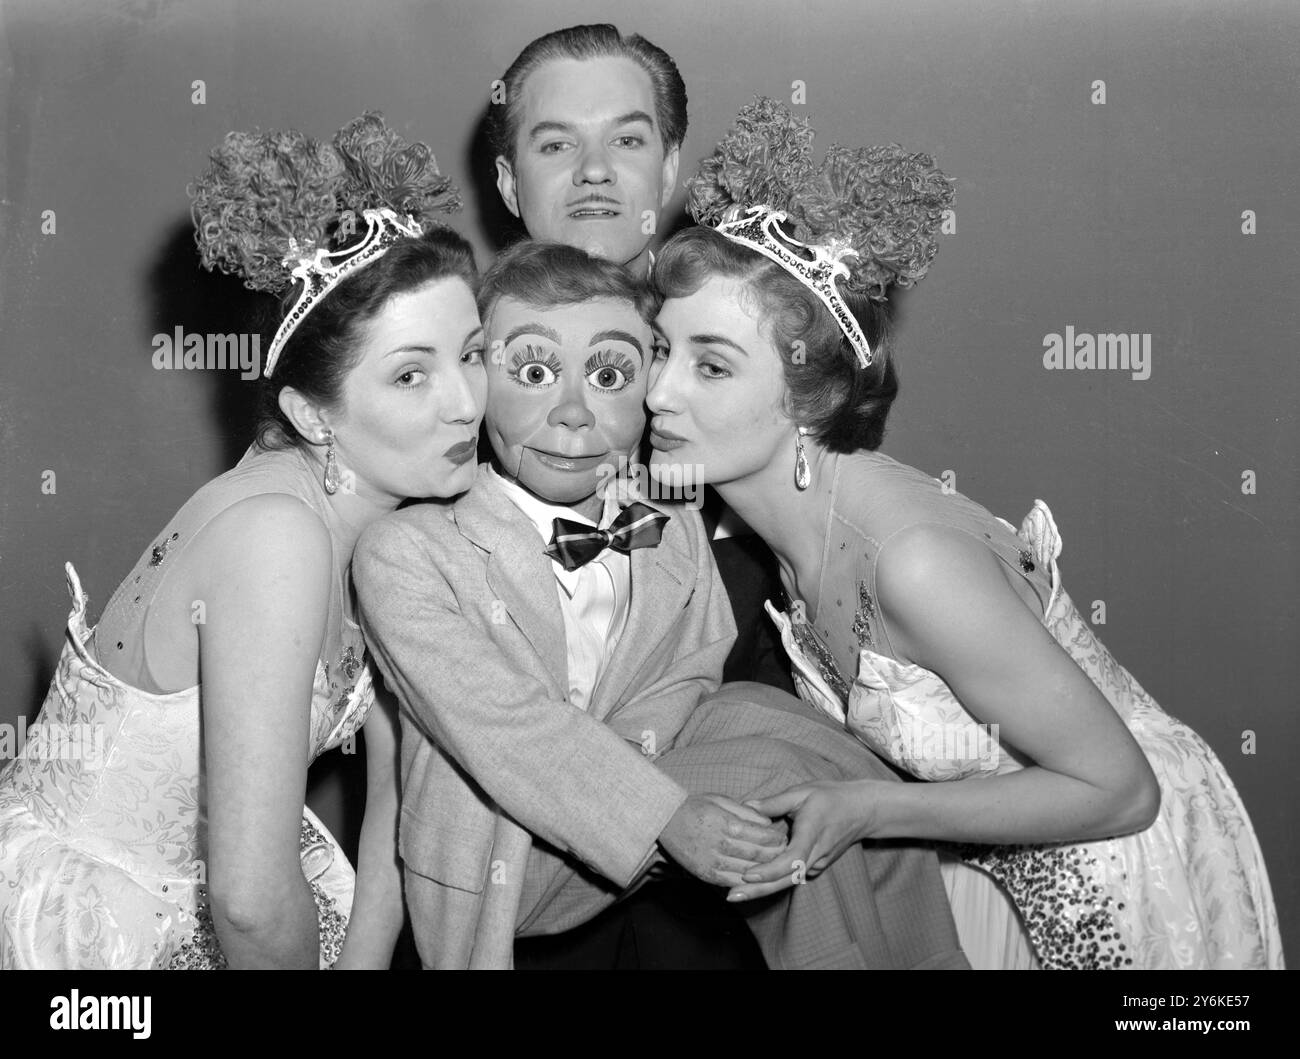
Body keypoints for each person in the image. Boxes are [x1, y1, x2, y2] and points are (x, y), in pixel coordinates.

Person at [645, 98, 1285, 969]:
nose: (657, 393)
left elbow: (1120, 789)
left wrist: (869, 812)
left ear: (810, 398)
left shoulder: (912, 561)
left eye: (710, 365)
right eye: (657, 349)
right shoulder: (774, 525)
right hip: (985, 880)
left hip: (1120, 881)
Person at [353, 240, 969, 970]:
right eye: (534, 372)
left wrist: (669, 770)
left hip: (654, 769)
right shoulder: (407, 550)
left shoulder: (666, 513)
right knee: (779, 783)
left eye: (609, 373)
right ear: (480, 377)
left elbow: (694, 671)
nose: (575, 413)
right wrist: (667, 812)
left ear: (647, 380)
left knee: (845, 772)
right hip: (508, 854)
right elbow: (505, 729)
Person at [0, 114, 486, 968]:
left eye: (472, 354)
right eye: (411, 373)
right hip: (96, 932)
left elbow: (398, 794)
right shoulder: (278, 534)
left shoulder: (391, 514)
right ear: (308, 413)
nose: (465, 403)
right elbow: (251, 903)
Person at [487, 23, 793, 693]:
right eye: (557, 143)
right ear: (510, 182)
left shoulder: (760, 337)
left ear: (668, 168)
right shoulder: (458, 359)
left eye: (626, 140)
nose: (593, 170)